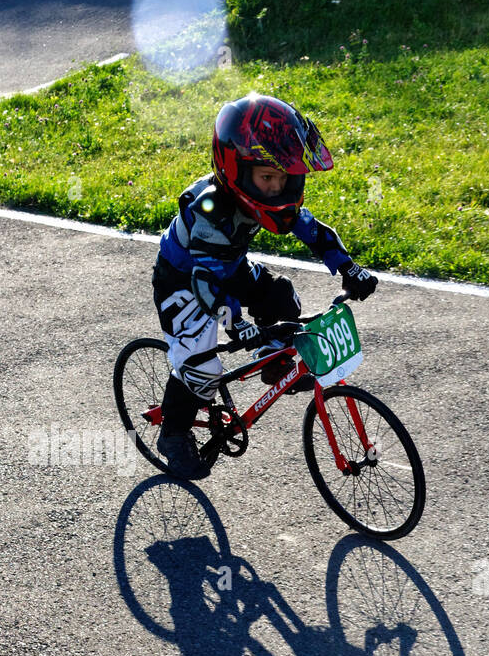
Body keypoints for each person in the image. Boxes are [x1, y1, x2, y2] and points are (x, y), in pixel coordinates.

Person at [153, 94, 377, 478]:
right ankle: (173, 435)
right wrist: (235, 321)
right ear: (236, 171)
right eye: (266, 177)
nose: (276, 189)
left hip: (229, 267)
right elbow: (205, 281)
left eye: (283, 178)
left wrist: (348, 268)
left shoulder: (271, 198)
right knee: (201, 365)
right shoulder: (210, 210)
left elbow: (314, 232)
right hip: (184, 283)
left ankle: (276, 365)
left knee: (282, 295)